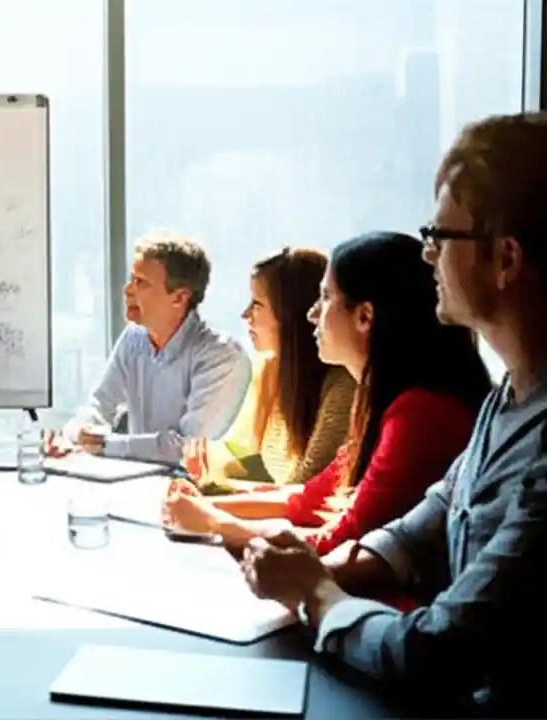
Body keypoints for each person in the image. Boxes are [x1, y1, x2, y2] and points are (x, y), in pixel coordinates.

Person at [242, 111, 547, 716]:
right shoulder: (504, 402)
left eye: (441, 237)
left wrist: (318, 594)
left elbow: (437, 649)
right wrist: (307, 572)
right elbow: (416, 529)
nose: (428, 256)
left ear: (505, 259)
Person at [166, 232, 491, 554]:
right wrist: (204, 505)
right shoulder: (381, 403)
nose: (312, 314)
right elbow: (305, 499)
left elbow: (342, 543)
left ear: (364, 317)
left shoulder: (418, 416)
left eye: (324, 298)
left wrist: (214, 522)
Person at [58, 231, 251, 463]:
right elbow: (99, 406)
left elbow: (188, 448)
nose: (127, 290)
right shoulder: (134, 338)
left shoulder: (222, 357)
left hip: (193, 484)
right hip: (137, 478)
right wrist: (78, 432)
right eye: (131, 280)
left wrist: (105, 444)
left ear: (179, 298)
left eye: (141, 283)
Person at [184, 248, 356, 489]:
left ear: (290, 314)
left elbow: (305, 487)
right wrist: (209, 470)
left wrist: (215, 488)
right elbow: (251, 463)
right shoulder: (269, 369)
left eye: (257, 304)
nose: (245, 314)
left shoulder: (344, 384)